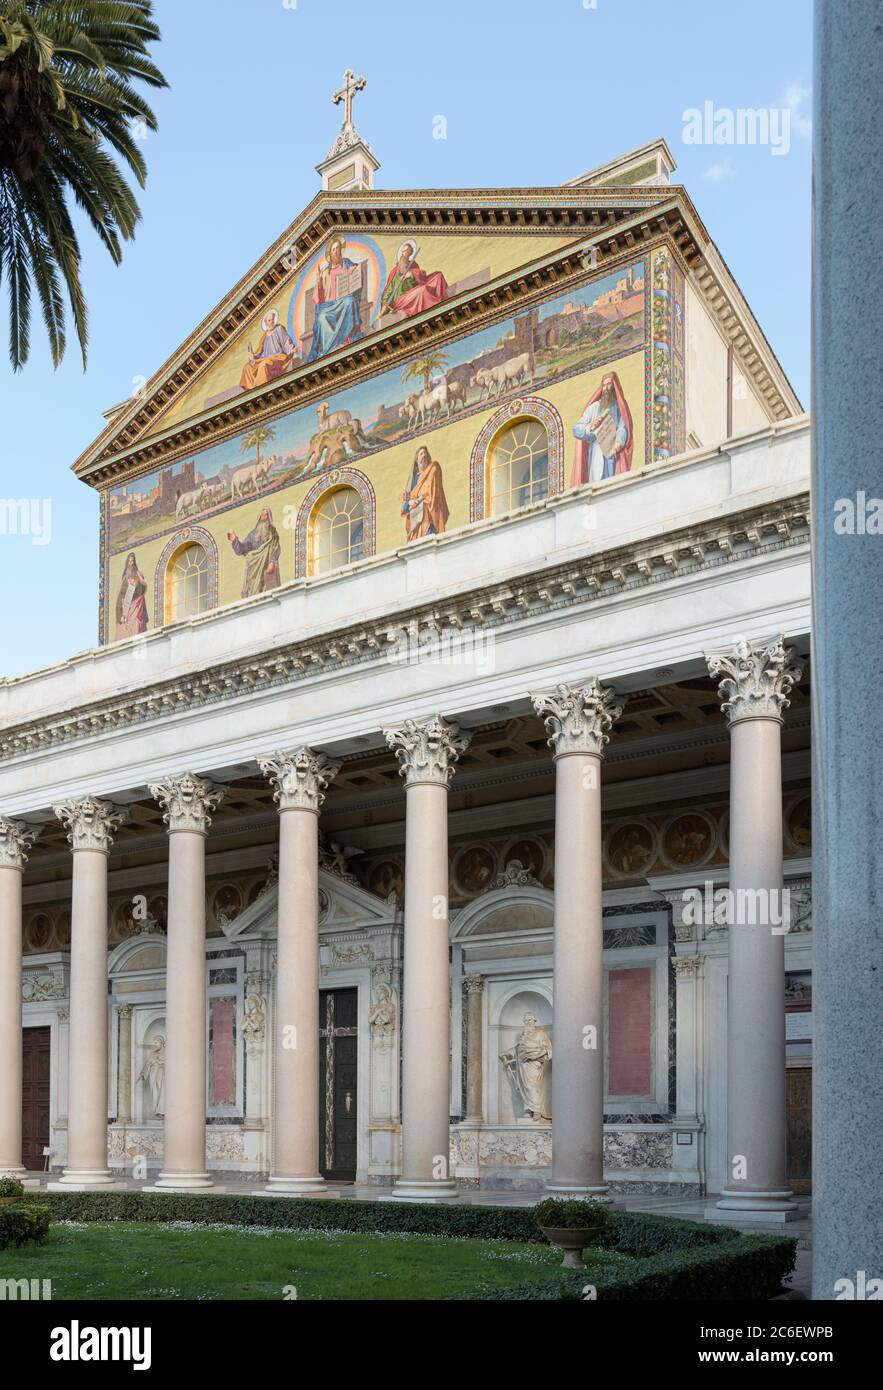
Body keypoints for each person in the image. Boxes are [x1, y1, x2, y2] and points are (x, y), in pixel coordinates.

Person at [305, 235, 363, 361]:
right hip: (329, 305)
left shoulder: (347, 264)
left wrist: (353, 271)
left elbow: (357, 276)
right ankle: (329, 348)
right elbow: (318, 300)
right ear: (330, 254)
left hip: (343, 299)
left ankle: (344, 339)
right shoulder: (326, 272)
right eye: (333, 249)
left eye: (338, 248)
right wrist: (319, 282)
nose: (336, 251)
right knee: (321, 317)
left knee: (349, 301)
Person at [571, 371, 633, 484]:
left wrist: (619, 441)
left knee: (611, 480)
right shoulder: (594, 407)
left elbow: (623, 426)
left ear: (614, 386)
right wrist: (590, 426)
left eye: (609, 384)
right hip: (596, 449)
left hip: (611, 449)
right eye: (604, 385)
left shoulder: (620, 407)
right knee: (595, 479)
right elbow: (576, 429)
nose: (606, 388)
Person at [381, 239, 448, 317]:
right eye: (403, 251)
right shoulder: (395, 272)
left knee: (438, 276)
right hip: (401, 300)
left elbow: (422, 279)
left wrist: (411, 274)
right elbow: (389, 293)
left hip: (414, 291)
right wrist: (382, 312)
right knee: (423, 290)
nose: (404, 254)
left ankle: (443, 301)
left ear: (410, 254)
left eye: (407, 251)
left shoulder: (413, 266)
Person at [227, 507, 281, 595]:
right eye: (262, 515)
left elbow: (276, 548)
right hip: (254, 571)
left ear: (269, 517)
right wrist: (235, 540)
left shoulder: (273, 533)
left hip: (268, 569)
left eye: (266, 515)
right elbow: (242, 549)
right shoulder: (253, 534)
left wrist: (272, 562)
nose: (263, 517)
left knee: (270, 594)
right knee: (254, 593)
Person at [239, 310, 297, 390]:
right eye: (269, 320)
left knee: (263, 365)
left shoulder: (279, 329)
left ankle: (259, 390)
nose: (272, 322)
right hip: (264, 358)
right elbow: (260, 351)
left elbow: (286, 342)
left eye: (273, 320)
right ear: (266, 322)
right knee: (247, 367)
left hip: (278, 357)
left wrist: (291, 350)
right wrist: (254, 356)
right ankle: (251, 390)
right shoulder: (264, 335)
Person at [401, 446, 449, 540]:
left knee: (428, 534)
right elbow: (406, 505)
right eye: (421, 454)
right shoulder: (414, 479)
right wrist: (410, 502)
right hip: (415, 515)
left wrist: (419, 499)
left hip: (428, 511)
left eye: (425, 454)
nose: (424, 455)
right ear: (416, 459)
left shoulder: (433, 469)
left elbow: (432, 492)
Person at [115, 552, 148, 638]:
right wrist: (120, 616)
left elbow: (143, 587)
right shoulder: (125, 579)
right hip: (126, 609)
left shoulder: (138, 574)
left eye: (132, 561)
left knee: (136, 630)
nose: (131, 563)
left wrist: (135, 584)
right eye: (129, 561)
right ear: (127, 563)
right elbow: (120, 596)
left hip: (136, 607)